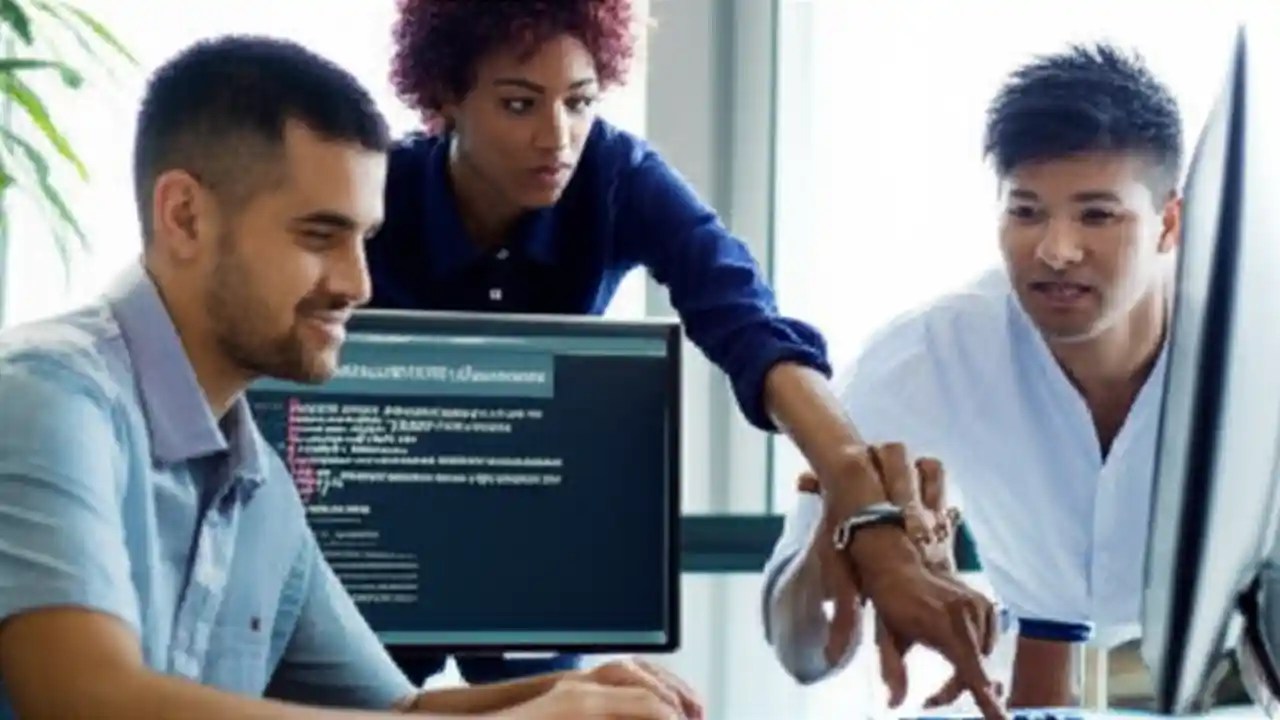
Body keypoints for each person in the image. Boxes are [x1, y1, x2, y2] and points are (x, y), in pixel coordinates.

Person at [0, 35, 705, 720]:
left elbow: (401, 707)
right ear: (185, 216)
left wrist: (572, 695)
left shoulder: (259, 488)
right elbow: (87, 700)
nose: (358, 284)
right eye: (319, 236)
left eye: (364, 240)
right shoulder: (49, 397)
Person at [370, 0, 1002, 701]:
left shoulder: (616, 174)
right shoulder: (374, 191)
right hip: (378, 529)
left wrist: (862, 501)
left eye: (580, 102)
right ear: (445, 95)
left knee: (574, 708)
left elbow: (749, 327)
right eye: (519, 104)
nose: (557, 137)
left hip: (527, 525)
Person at [763, 42, 1184, 710]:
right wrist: (853, 539)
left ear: (1169, 224)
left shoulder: (1254, 348)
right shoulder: (928, 358)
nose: (1055, 250)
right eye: (1026, 211)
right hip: (1010, 694)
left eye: (1097, 215)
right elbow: (798, 652)